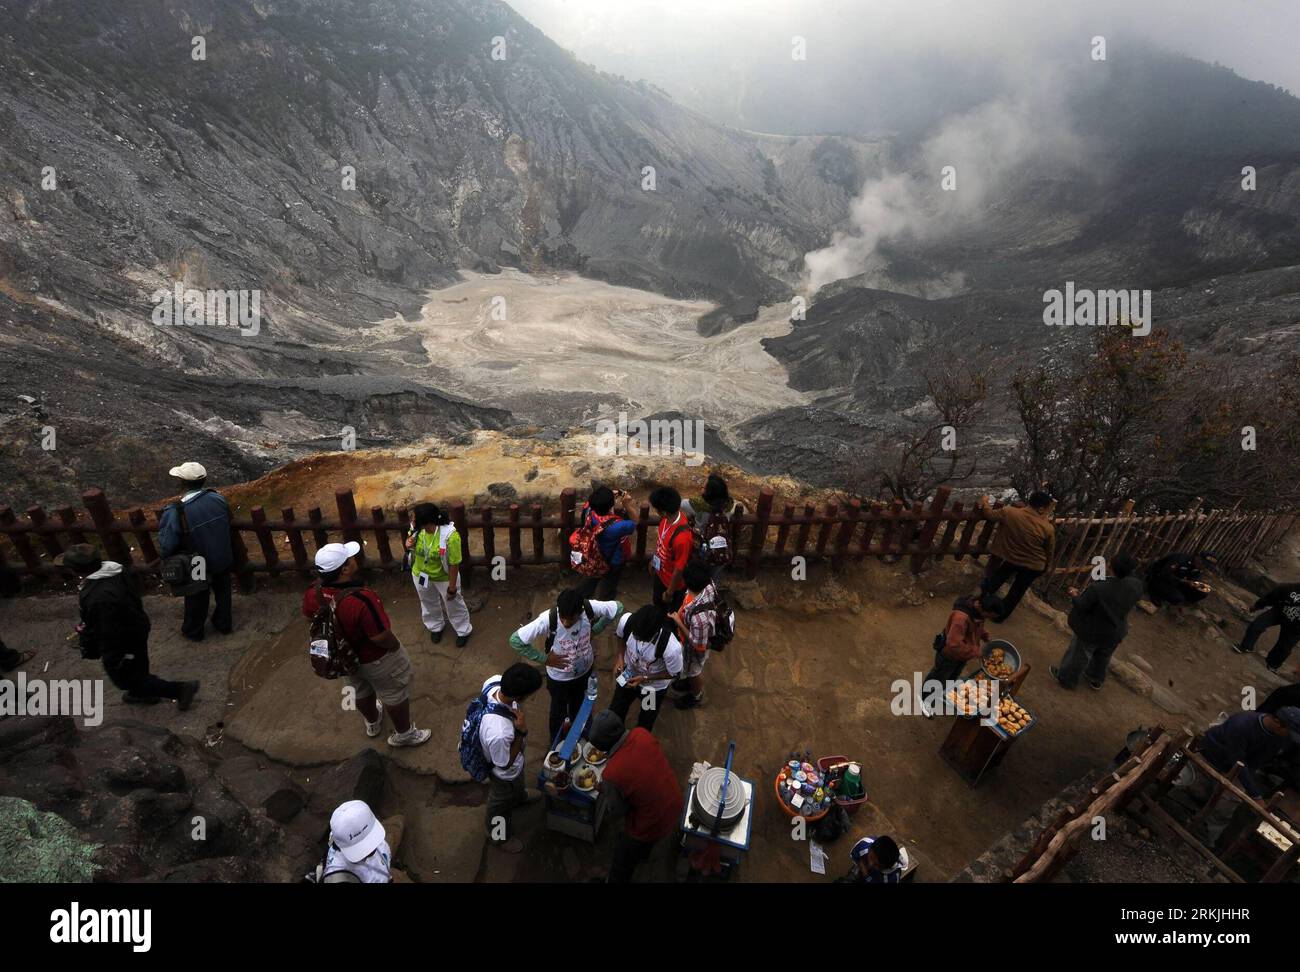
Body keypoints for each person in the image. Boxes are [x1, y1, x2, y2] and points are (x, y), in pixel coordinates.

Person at [301, 541, 431, 747]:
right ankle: (404, 734)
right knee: (393, 692)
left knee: (358, 688)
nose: (354, 560)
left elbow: (310, 619)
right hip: (375, 657)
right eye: (350, 559)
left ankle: (372, 721)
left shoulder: (312, 594)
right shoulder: (361, 598)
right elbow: (380, 636)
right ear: (344, 569)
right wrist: (395, 647)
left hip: (344, 657)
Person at [56, 544, 199, 709]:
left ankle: (179, 690)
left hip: (122, 640)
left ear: (77, 571)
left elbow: (108, 631)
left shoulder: (99, 597)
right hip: (136, 625)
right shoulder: (116, 570)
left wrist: (108, 653)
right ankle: (142, 694)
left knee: (125, 677)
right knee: (138, 665)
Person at [508, 587, 623, 741]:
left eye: (571, 618)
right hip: (559, 678)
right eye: (563, 618)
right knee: (558, 711)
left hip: (584, 671)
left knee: (579, 703)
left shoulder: (589, 608)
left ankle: (580, 734)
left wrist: (595, 629)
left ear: (580, 611)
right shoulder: (548, 619)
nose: (566, 622)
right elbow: (516, 640)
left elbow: (618, 608)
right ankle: (556, 741)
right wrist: (545, 659)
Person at [588, 708, 683, 882]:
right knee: (644, 845)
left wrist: (608, 790)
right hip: (674, 802)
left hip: (651, 822)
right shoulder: (641, 733)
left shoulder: (612, 773)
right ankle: (642, 853)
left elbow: (618, 811)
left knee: (622, 860)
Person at [156, 461, 234, 641]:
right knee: (223, 591)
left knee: (196, 595)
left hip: (197, 562)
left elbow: (168, 542)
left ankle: (194, 630)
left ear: (182, 483)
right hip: (221, 554)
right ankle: (224, 623)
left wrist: (165, 555)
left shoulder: (176, 510)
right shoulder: (218, 499)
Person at [1051, 551, 1145, 690]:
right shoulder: (1137, 585)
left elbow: (1082, 605)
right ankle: (1095, 677)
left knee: (1080, 654)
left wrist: (1074, 595)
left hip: (1093, 630)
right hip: (1116, 630)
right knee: (1103, 655)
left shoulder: (1099, 588)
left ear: (1110, 568)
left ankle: (1067, 679)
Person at [477, 663, 544, 853]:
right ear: (519, 697)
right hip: (502, 774)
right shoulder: (501, 731)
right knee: (499, 805)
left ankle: (519, 797)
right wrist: (521, 732)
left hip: (512, 765)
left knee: (517, 782)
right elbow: (504, 764)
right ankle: (498, 836)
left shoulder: (494, 682)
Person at [977, 489, 1055, 622]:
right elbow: (1049, 551)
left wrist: (984, 502)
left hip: (1012, 558)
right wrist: (1047, 566)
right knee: (1016, 592)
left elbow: (989, 515)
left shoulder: (1009, 512)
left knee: (997, 578)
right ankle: (999, 617)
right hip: (1034, 565)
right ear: (1042, 509)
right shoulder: (1047, 528)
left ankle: (979, 604)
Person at [920, 592, 1002, 716]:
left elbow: (977, 625)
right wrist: (975, 651)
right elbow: (953, 644)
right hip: (949, 655)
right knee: (939, 676)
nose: (988, 618)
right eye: (989, 615)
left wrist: (984, 635)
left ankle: (941, 693)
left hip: (962, 655)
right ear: (981, 607)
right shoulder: (961, 618)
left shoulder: (978, 612)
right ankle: (925, 699)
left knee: (952, 676)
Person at [403, 502, 472, 647]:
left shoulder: (450, 536)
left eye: (415, 520)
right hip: (421, 574)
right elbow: (409, 542)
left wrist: (452, 588)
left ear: (426, 522)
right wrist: (408, 544)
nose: (412, 522)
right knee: (427, 602)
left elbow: (454, 564)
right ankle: (435, 626)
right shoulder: (416, 530)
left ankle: (463, 630)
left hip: (444, 578)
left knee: (453, 604)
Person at [610, 604, 685, 733]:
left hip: (652, 687)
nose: (636, 639)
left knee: (646, 719)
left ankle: (639, 741)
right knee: (616, 709)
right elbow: (620, 638)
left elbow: (673, 673)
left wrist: (644, 678)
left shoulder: (671, 648)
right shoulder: (627, 621)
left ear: (654, 633)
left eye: (641, 638)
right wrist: (620, 659)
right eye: (635, 635)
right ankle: (612, 735)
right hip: (627, 673)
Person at [1199, 706, 1300, 800]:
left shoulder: (1280, 738)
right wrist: (1255, 795)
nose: (1289, 737)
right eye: (1289, 732)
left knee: (1228, 803)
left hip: (1235, 768)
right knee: (1196, 793)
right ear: (1277, 722)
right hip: (1210, 757)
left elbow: (1255, 763)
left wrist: (1251, 790)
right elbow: (1237, 760)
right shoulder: (1242, 724)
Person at [668, 559, 719, 709]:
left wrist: (678, 621)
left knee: (693, 671)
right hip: (694, 636)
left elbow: (698, 645)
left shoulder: (699, 618)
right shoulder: (708, 585)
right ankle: (687, 683)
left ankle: (696, 695)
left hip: (695, 646)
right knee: (687, 668)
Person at [572, 486, 637, 600]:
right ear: (611, 506)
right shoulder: (616, 526)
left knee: (593, 577)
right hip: (612, 559)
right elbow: (636, 521)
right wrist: (627, 504)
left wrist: (611, 494)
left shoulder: (589, 509)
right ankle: (605, 602)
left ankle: (580, 598)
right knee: (610, 583)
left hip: (593, 555)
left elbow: (593, 499)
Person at [681, 474, 744, 580]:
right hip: (720, 549)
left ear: (709, 492)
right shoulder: (728, 505)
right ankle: (712, 592)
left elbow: (682, 504)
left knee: (697, 576)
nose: (701, 487)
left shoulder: (698, 505)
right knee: (714, 578)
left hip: (702, 549)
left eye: (703, 487)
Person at [316, 800, 392, 883]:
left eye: (370, 839)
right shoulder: (338, 878)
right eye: (361, 847)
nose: (370, 850)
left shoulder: (337, 835)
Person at [1233, 581, 1300, 674]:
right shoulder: (1289, 588)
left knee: (1285, 647)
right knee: (1257, 625)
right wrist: (1257, 606)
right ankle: (1246, 646)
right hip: (1279, 612)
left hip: (1296, 626)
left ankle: (1273, 664)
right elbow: (1271, 597)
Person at [649, 486, 694, 611]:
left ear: (663, 512)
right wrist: (653, 560)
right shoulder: (665, 520)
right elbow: (661, 542)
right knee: (657, 605)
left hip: (672, 584)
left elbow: (679, 569)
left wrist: (669, 593)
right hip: (660, 573)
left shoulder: (682, 538)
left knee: (669, 613)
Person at [836, 835, 909, 884]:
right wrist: (861, 865)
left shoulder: (892, 878)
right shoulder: (864, 845)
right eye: (870, 857)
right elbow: (856, 857)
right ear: (870, 847)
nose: (870, 864)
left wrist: (866, 875)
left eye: (877, 865)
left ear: (887, 867)